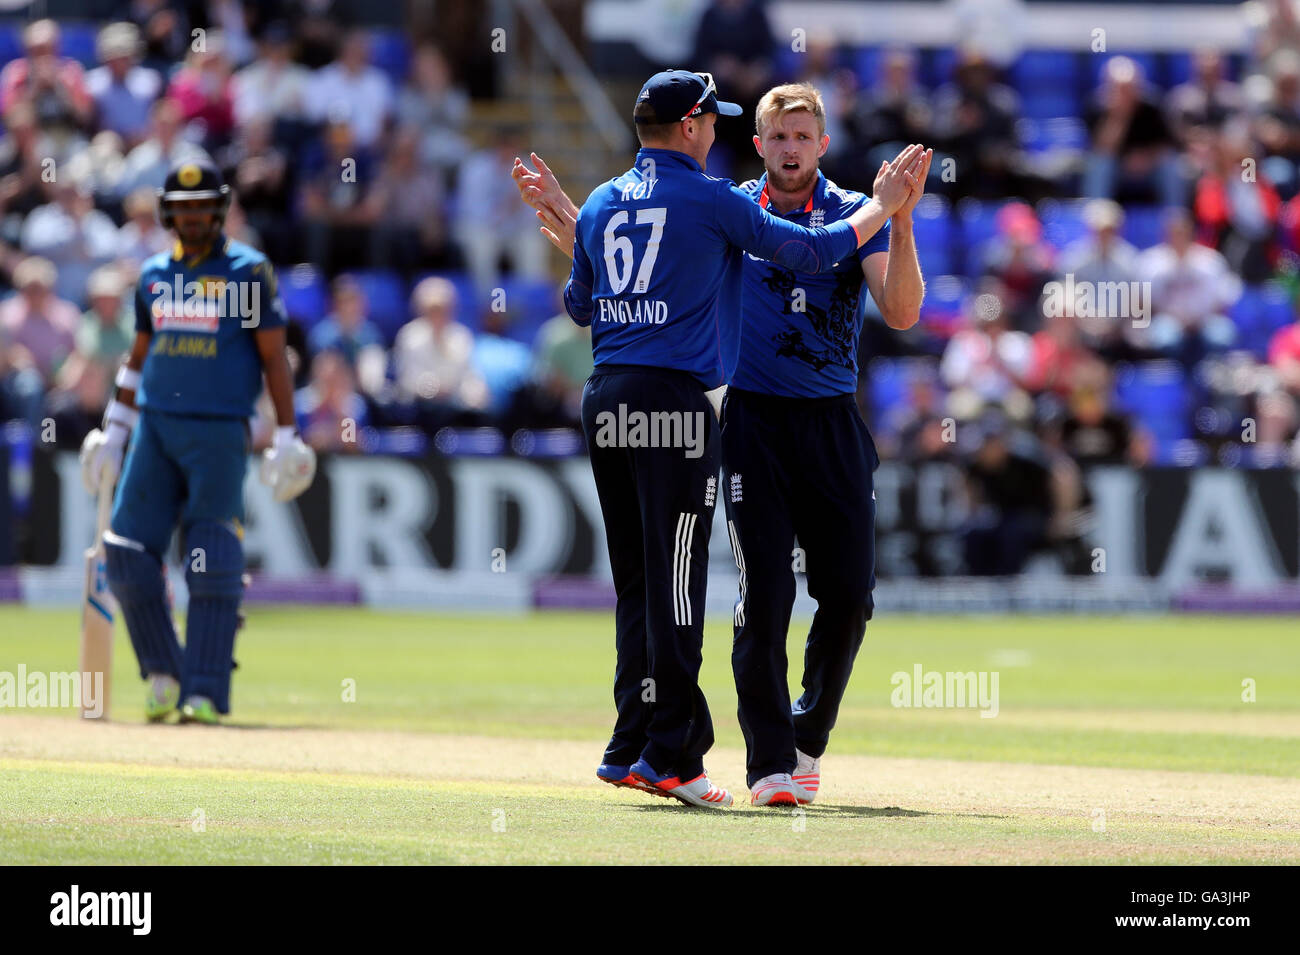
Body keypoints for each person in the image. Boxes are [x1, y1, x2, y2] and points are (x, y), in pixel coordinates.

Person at [516, 70, 920, 808]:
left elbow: (589, 298)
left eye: (803, 135)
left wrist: (577, 220)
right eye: (760, 131)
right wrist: (884, 210)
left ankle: (644, 741)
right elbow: (801, 251)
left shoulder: (612, 199)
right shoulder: (717, 199)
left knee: (658, 583)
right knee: (706, 586)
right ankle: (699, 755)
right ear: (707, 129)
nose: (783, 145)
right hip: (707, 408)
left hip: (626, 400)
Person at [77, 159, 315, 726]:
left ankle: (205, 690)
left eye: (201, 208)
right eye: (181, 210)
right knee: (127, 553)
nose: (191, 218)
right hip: (155, 429)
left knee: (210, 560)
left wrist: (285, 433)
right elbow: (137, 361)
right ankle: (164, 674)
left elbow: (273, 358)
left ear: (220, 209)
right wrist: (115, 428)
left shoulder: (248, 271)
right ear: (167, 213)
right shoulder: (154, 274)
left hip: (218, 431)